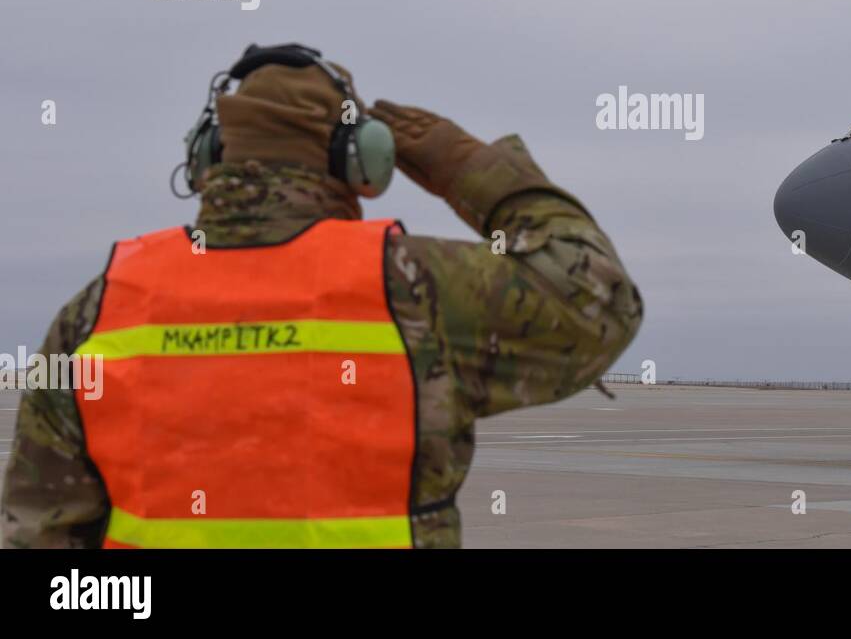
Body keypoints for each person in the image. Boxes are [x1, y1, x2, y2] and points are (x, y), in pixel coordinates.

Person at [1, 43, 643, 548]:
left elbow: (41, 530)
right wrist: (467, 166)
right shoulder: (415, 291)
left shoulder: (100, 311)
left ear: (209, 156)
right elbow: (598, 297)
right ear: (357, 162)